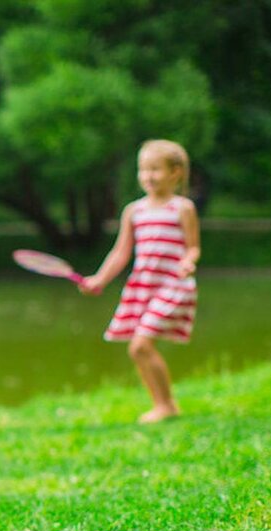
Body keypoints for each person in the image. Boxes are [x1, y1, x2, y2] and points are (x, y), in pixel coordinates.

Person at [79, 139, 200, 424]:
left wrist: (188, 261)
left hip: (172, 285)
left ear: (175, 173)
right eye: (143, 169)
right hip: (143, 286)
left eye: (155, 169)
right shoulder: (134, 211)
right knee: (139, 349)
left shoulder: (182, 208)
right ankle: (162, 405)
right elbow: (120, 253)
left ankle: (166, 405)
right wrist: (100, 279)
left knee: (139, 346)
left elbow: (193, 246)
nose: (148, 176)